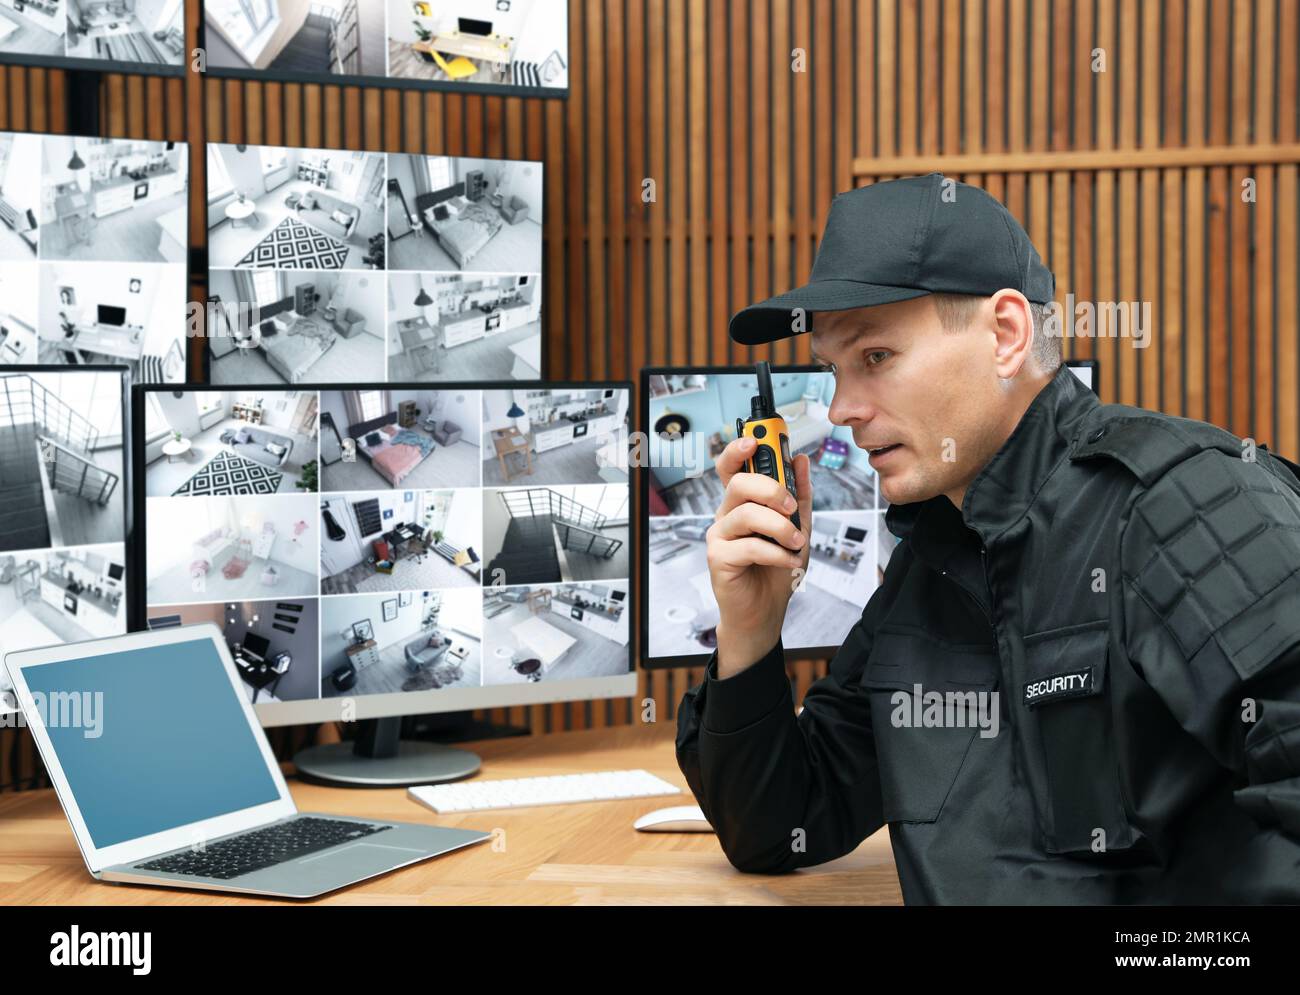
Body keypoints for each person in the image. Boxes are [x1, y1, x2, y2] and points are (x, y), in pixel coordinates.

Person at [675, 173, 1300, 903]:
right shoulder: (929, 562)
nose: (842, 408)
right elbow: (781, 826)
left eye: (875, 357)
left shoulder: (1186, 500)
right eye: (832, 371)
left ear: (1006, 334)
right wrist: (750, 629)